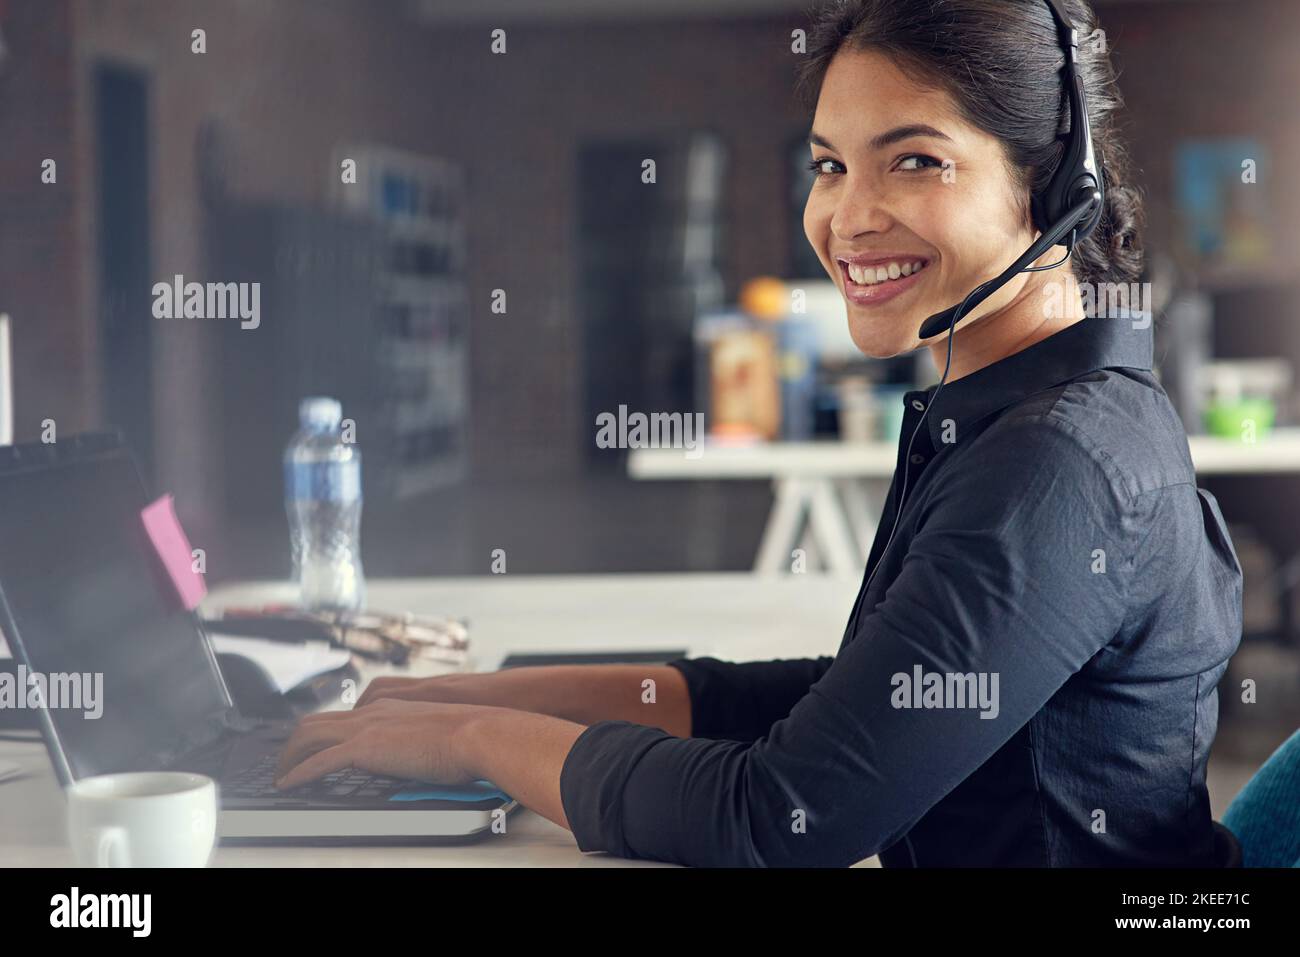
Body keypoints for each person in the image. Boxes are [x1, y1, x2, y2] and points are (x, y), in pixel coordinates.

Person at [274, 0, 1243, 867]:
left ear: (1053, 185)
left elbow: (780, 816)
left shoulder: (1055, 467)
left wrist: (469, 745)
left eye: (915, 160)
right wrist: (489, 696)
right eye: (828, 166)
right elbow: (857, 708)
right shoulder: (1024, 408)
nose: (846, 218)